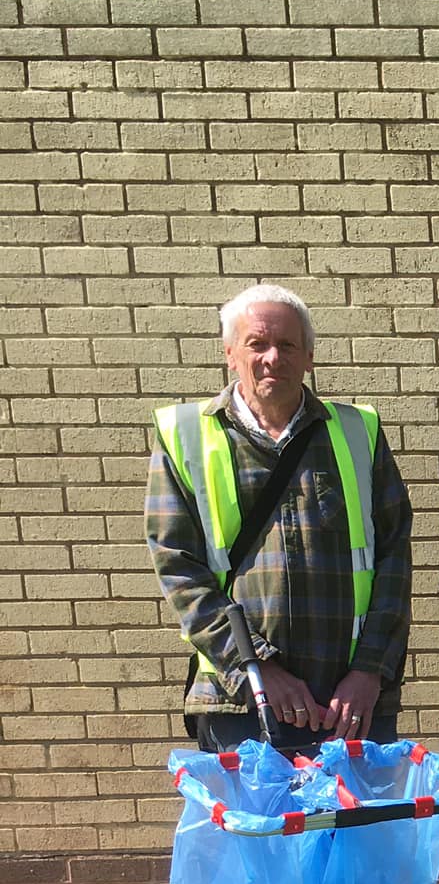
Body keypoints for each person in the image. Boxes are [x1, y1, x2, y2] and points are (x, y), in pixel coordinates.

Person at [146, 283, 413, 752]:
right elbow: (179, 569)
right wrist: (259, 667)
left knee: (355, 828)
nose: (273, 357)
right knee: (256, 829)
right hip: (241, 701)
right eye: (257, 344)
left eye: (287, 345)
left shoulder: (357, 432)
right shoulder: (185, 436)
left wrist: (369, 670)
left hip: (348, 704)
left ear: (309, 356)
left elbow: (394, 560)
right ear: (231, 354)